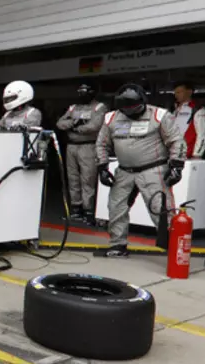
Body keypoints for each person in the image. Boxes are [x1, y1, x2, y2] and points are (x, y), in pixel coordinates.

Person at [94, 83, 185, 258]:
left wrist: (176, 165)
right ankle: (117, 245)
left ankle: (173, 248)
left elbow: (176, 141)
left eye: (133, 107)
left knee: (161, 209)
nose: (129, 111)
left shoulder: (159, 115)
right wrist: (102, 167)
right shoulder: (111, 118)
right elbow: (101, 144)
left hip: (153, 169)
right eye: (125, 108)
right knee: (116, 207)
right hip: (124, 171)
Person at [55, 84, 108, 224]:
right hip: (71, 146)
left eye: (84, 92)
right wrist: (74, 123)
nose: (81, 95)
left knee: (88, 179)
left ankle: (88, 212)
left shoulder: (99, 107)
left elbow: (95, 126)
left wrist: (74, 128)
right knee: (72, 179)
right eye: (80, 92)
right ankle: (75, 210)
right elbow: (60, 123)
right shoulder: (73, 107)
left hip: (88, 146)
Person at [168, 81, 205, 159]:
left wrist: (197, 155)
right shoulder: (175, 111)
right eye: (175, 92)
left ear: (189, 92)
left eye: (179, 92)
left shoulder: (199, 111)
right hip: (173, 154)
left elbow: (203, 135)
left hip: (188, 156)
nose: (176, 95)